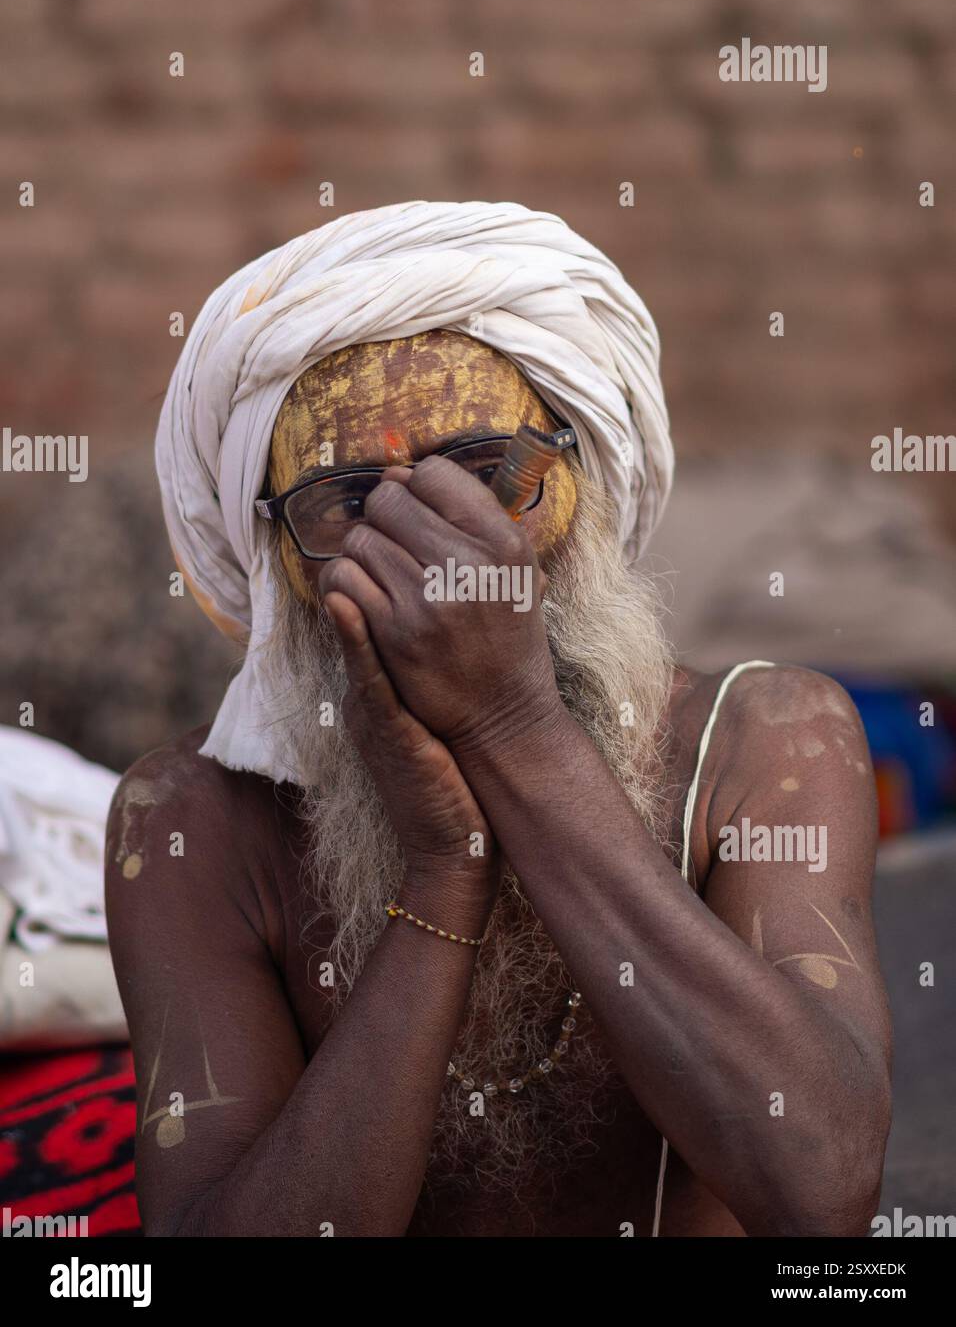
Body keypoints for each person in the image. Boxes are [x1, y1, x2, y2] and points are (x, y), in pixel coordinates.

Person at [106, 201, 891, 1237]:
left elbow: (820, 1193)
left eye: (482, 473)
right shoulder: (191, 820)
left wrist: (511, 728)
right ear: (281, 564)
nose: (428, 549)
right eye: (347, 498)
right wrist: (442, 870)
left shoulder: (767, 739)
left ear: (580, 480)